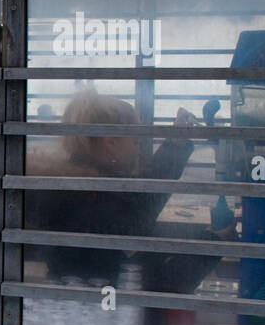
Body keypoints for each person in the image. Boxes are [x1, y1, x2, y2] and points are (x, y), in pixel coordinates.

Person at [24, 90, 226, 293]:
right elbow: (161, 284)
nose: (138, 150)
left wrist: (176, 143)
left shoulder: (74, 188)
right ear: (111, 142)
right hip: (103, 314)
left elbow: (144, 196)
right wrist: (213, 244)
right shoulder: (103, 200)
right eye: (135, 141)